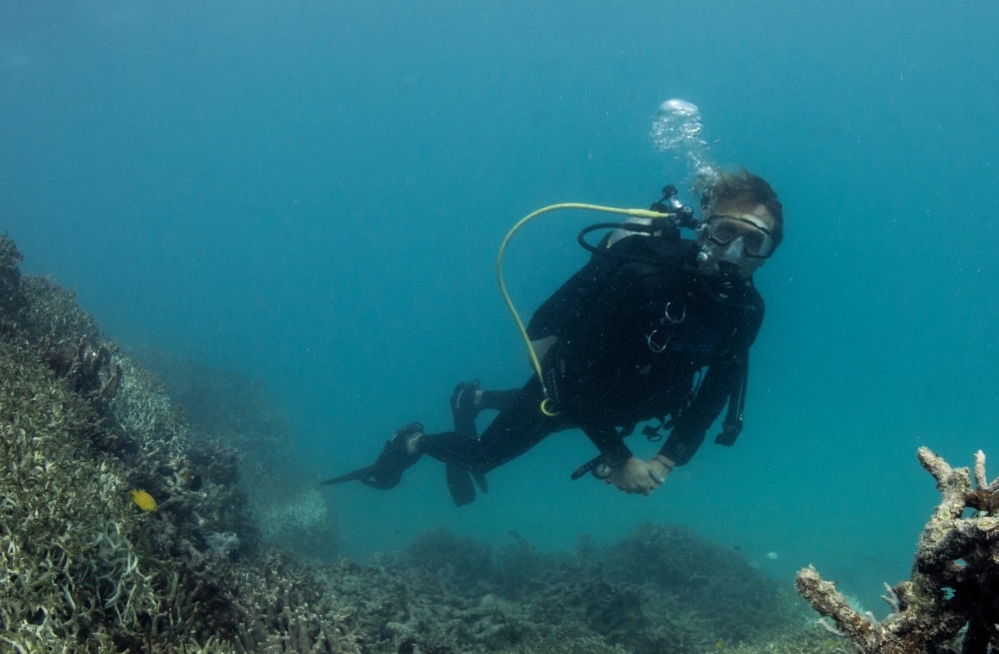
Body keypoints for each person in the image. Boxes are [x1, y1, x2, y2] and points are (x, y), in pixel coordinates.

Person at [325, 169, 781, 504]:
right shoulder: (645, 278)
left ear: (769, 253)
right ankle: (412, 442)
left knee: (594, 410)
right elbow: (573, 371)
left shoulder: (748, 311)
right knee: (483, 456)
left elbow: (717, 389)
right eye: (724, 232)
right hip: (569, 383)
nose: (734, 252)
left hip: (636, 399)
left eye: (754, 241)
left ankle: (475, 399)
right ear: (703, 229)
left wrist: (666, 459)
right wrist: (619, 457)